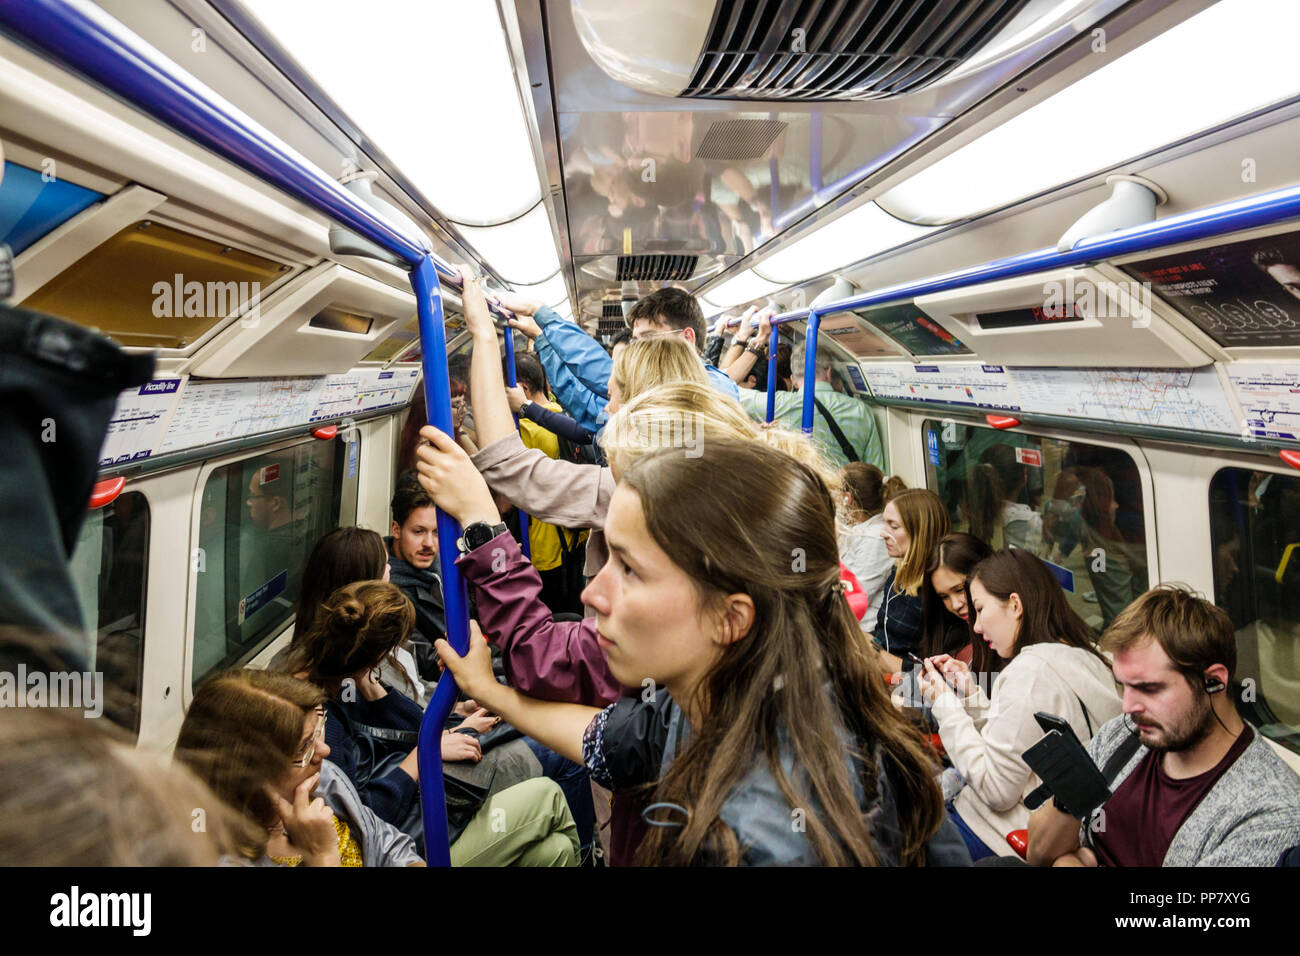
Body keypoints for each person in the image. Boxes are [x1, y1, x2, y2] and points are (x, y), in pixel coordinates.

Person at [418, 429, 969, 865]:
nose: (591, 592)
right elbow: (613, 740)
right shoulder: (727, 691)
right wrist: (491, 691)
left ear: (731, 617)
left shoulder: (753, 843)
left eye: (630, 569)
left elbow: (543, 656)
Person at [1027, 585, 1300, 867]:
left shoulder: (1269, 814)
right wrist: (1070, 795)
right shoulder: (1127, 735)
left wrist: (1071, 861)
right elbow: (1037, 854)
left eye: (1149, 688)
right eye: (1125, 685)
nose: (1128, 707)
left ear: (1214, 682)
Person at [917, 548, 1122, 861]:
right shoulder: (1090, 657)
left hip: (993, 835)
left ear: (1015, 605)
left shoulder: (1030, 672)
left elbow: (995, 789)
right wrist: (971, 696)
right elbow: (1014, 745)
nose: (976, 626)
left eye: (981, 609)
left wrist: (945, 705)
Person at [492, 278, 739, 434]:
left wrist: (539, 311)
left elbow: (598, 371)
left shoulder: (711, 391)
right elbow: (588, 405)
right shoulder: (647, 399)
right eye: (636, 341)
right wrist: (543, 338)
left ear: (686, 338)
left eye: (648, 339)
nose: (637, 352)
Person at [498, 351, 589, 615]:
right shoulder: (563, 416)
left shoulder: (524, 430)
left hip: (542, 545)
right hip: (572, 538)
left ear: (521, 388)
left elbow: (506, 503)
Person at [734, 318, 884, 469]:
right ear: (829, 372)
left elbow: (724, 387)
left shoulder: (778, 404)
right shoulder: (861, 410)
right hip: (845, 491)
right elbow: (875, 469)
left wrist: (740, 339)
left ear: (793, 381)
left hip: (802, 490)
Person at [875, 489, 950, 672]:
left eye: (893, 527)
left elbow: (923, 672)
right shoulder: (899, 570)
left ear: (919, 532)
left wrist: (873, 652)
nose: (883, 534)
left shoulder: (935, 591)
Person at [836, 464, 905, 634]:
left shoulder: (874, 538)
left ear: (847, 498)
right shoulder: (857, 530)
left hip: (862, 633)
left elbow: (853, 597)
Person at [386, 474, 447, 667]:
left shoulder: (442, 563)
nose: (429, 543)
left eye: (436, 532)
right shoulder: (390, 591)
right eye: (418, 531)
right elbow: (426, 659)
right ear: (396, 530)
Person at [919, 533, 994, 662]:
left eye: (959, 590)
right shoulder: (947, 634)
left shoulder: (1005, 639)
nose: (955, 605)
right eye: (944, 597)